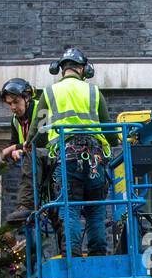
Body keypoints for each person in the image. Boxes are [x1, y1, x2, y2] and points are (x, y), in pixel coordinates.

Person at [42, 46, 112, 256]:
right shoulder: (93, 91)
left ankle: (72, 254)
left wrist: (28, 144)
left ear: (60, 69)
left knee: (69, 207)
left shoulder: (49, 93)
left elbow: (39, 127)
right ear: (84, 70)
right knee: (96, 209)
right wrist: (118, 139)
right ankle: (98, 254)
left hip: (67, 158)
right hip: (95, 159)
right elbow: (107, 126)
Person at [0, 77, 48, 228]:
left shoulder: (42, 110)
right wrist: (16, 148)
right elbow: (14, 142)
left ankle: (25, 206)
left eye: (16, 102)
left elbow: (41, 139)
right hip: (34, 165)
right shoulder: (15, 120)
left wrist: (13, 149)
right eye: (9, 104)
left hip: (50, 160)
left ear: (27, 98)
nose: (13, 107)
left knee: (57, 213)